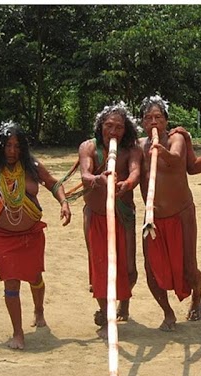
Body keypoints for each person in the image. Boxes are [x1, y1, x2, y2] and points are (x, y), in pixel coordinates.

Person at [0, 121, 72, 350]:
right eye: (8, 146)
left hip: (31, 235)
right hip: (1, 237)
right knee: (11, 282)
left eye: (17, 146)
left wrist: (64, 202)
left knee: (34, 277)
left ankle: (39, 310)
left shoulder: (32, 166)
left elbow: (53, 183)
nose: (12, 151)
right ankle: (18, 333)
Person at [134, 95, 201, 332]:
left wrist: (160, 151)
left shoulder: (177, 139)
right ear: (142, 123)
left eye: (158, 117)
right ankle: (168, 313)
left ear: (166, 120)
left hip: (181, 214)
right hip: (152, 218)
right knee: (151, 270)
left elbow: (175, 160)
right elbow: (133, 174)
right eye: (148, 118)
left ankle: (197, 296)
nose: (153, 122)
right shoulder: (138, 146)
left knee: (189, 268)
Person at [77, 102, 144, 339]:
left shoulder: (132, 149)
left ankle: (124, 302)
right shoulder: (88, 147)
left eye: (119, 127)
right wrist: (99, 179)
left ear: (126, 130)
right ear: (100, 126)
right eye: (109, 126)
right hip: (95, 215)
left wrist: (127, 184)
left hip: (123, 215)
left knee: (129, 269)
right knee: (99, 267)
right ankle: (106, 313)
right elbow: (85, 174)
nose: (113, 131)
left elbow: (135, 172)